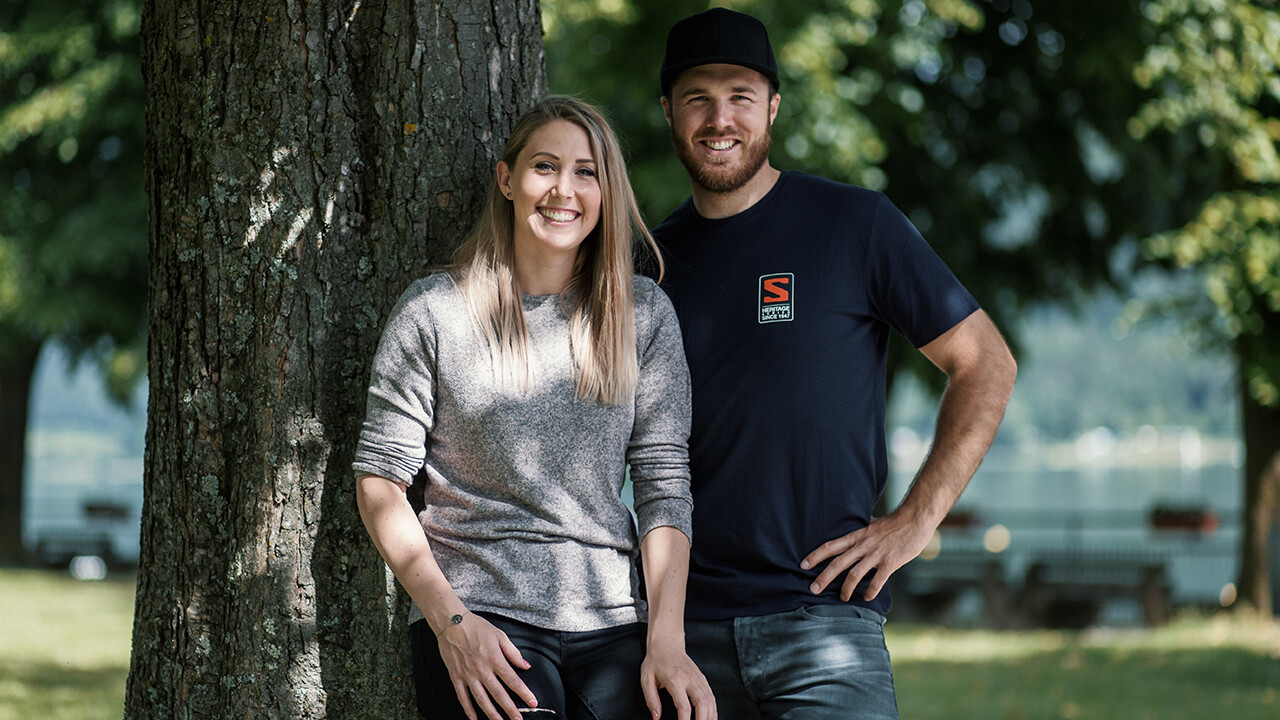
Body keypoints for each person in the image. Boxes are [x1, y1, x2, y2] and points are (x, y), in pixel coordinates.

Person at [650, 8, 1018, 719]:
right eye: (697, 97)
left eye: (741, 97)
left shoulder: (854, 225)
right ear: (668, 110)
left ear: (774, 108)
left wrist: (916, 521)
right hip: (683, 641)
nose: (719, 118)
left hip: (826, 629)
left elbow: (985, 364)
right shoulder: (650, 264)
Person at [353, 96, 716, 720]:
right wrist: (452, 625)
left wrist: (667, 641)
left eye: (586, 172)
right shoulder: (436, 312)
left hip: (614, 620)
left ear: (606, 192)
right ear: (507, 180)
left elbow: (664, 487)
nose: (563, 190)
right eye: (545, 166)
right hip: (484, 618)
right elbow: (381, 481)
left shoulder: (644, 316)